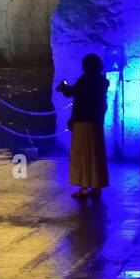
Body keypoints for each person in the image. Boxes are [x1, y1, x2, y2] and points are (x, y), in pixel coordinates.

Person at [56, 54, 109, 198]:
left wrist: (63, 87)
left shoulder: (85, 80)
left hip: (83, 121)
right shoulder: (103, 81)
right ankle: (97, 185)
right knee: (96, 154)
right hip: (96, 122)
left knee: (83, 154)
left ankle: (85, 187)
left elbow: (72, 93)